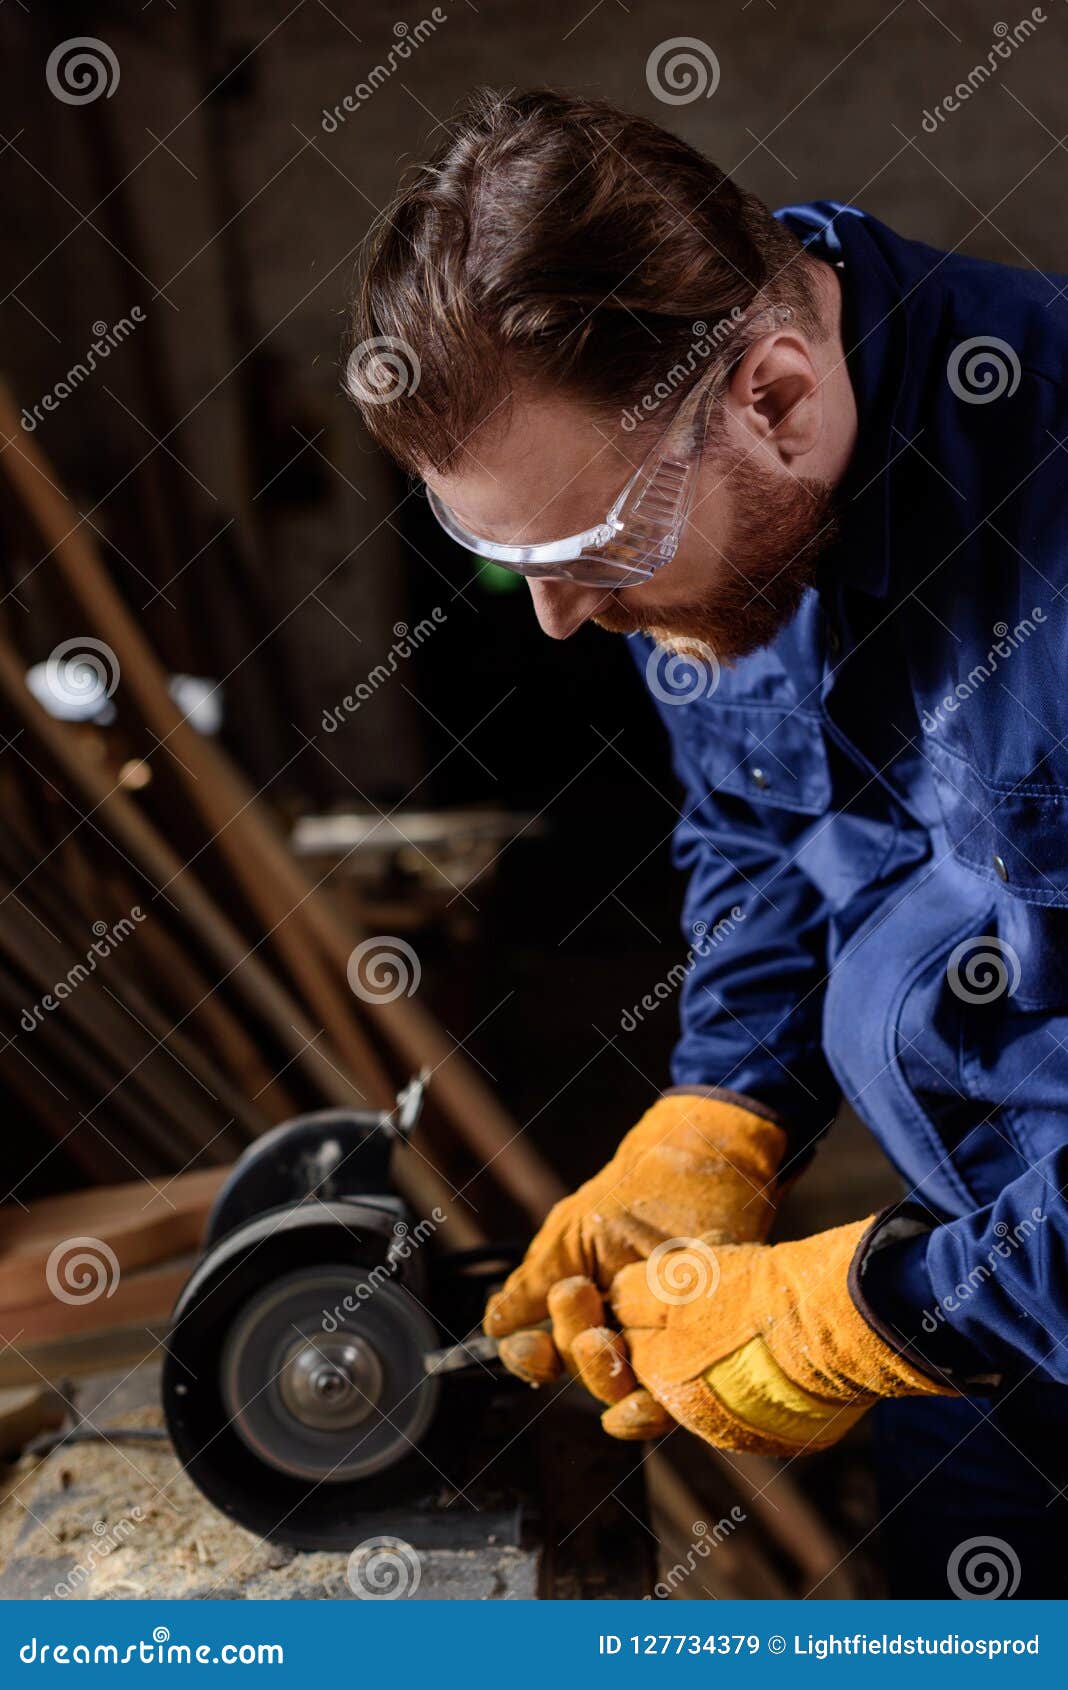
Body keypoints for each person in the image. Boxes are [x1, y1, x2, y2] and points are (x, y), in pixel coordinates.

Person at [347, 87, 1068, 1597]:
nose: (559, 616)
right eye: (505, 563)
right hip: (989, 1344)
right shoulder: (696, 502)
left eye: (584, 552)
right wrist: (721, 1114)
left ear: (779, 399)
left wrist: (882, 1311)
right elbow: (760, 825)